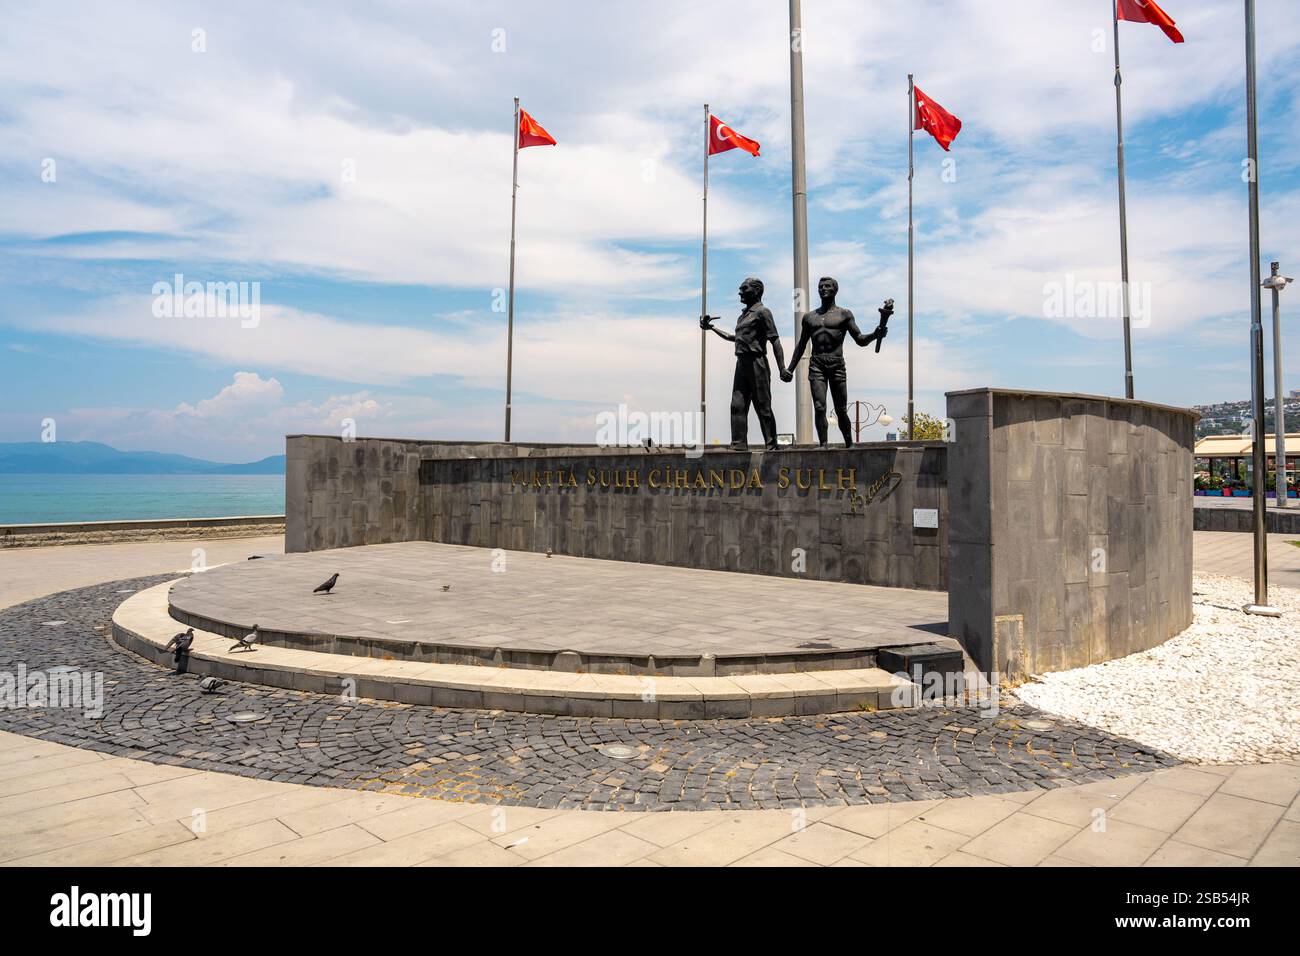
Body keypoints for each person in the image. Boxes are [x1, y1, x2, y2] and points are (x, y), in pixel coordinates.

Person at [785, 277, 891, 446]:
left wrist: (875, 334)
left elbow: (860, 340)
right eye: (820, 287)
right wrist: (789, 369)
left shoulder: (844, 314)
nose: (823, 289)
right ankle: (823, 445)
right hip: (817, 364)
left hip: (837, 365)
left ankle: (849, 444)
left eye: (827, 286)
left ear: (835, 290)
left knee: (841, 409)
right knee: (820, 407)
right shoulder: (809, 317)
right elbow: (801, 345)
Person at [701, 277, 792, 450]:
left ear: (757, 291)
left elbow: (775, 341)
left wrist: (782, 368)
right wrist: (711, 328)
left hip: (757, 363)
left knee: (763, 406)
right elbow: (733, 338)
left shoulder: (763, 312)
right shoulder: (743, 316)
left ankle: (772, 445)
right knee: (737, 405)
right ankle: (739, 444)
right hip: (741, 363)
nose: (740, 292)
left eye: (744, 289)